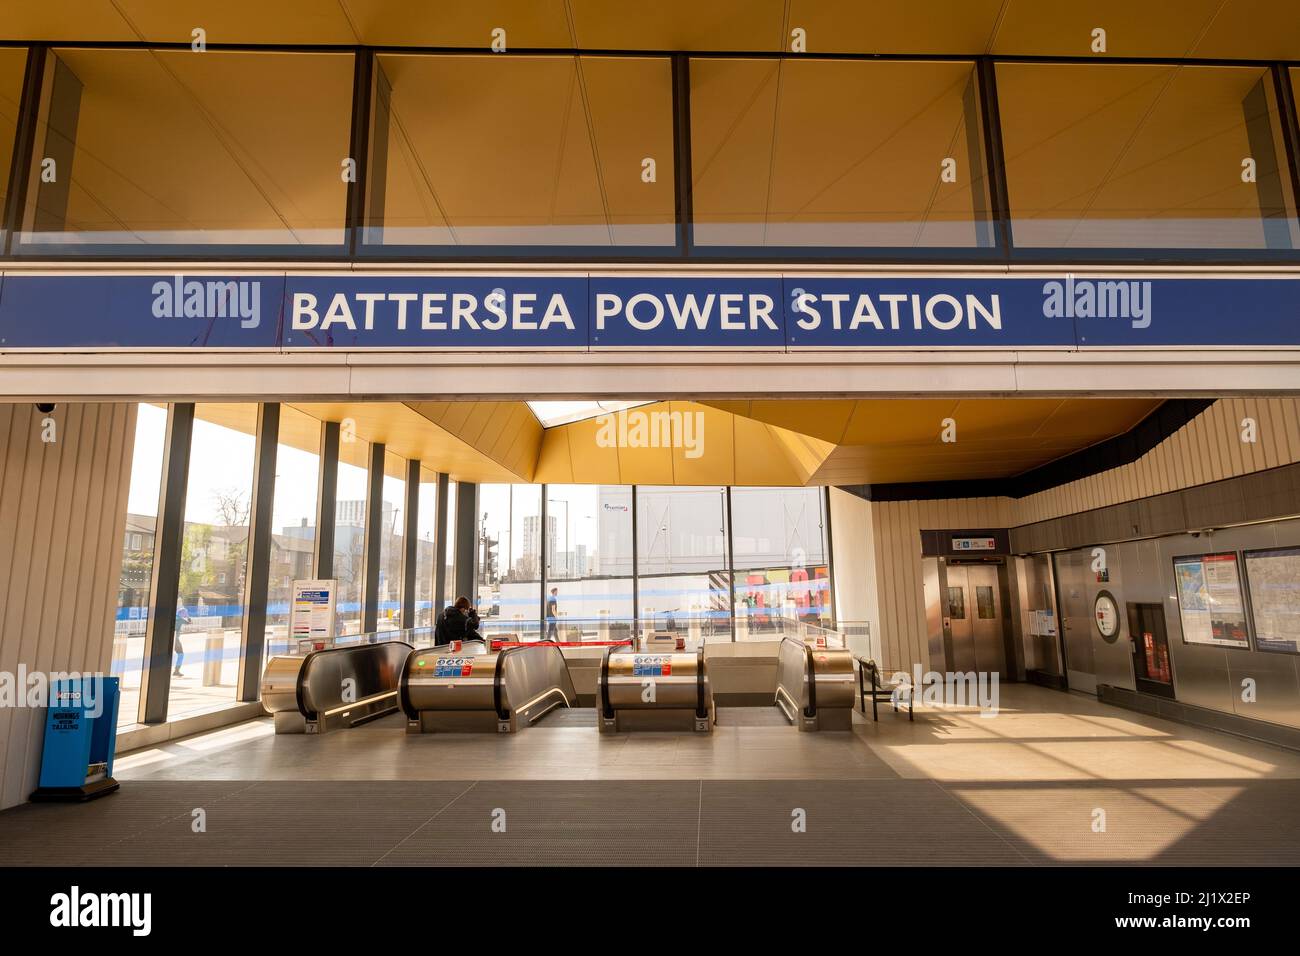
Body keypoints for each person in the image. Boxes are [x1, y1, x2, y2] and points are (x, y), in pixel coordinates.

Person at [173, 605, 191, 677]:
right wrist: (188, 616)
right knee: (181, 654)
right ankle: (176, 670)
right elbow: (189, 622)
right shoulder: (180, 619)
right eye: (185, 613)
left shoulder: (175, 617)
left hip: (172, 638)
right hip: (176, 639)